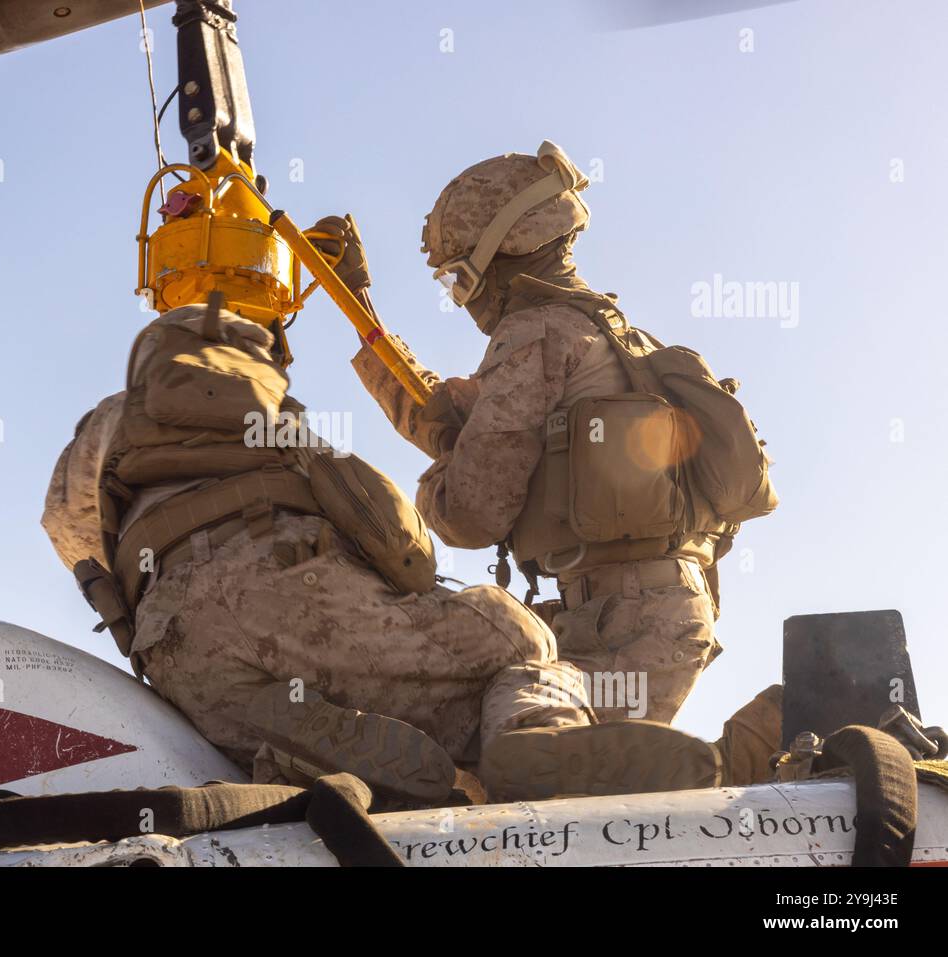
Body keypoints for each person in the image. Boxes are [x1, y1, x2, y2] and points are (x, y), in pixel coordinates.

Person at [40, 298, 722, 803]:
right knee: (517, 645)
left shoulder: (103, 430)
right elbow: (400, 544)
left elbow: (68, 532)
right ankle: (527, 736)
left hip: (175, 644)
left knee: (254, 716)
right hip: (294, 592)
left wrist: (137, 625)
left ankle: (329, 752)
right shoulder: (276, 423)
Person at [314, 141, 780, 780]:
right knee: (508, 738)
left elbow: (471, 513)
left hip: (629, 620)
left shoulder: (536, 332)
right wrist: (358, 309)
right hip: (641, 614)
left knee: (516, 724)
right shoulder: (600, 333)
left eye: (455, 278)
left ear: (495, 256)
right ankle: (751, 752)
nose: (457, 297)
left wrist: (424, 494)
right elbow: (451, 419)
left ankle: (744, 763)